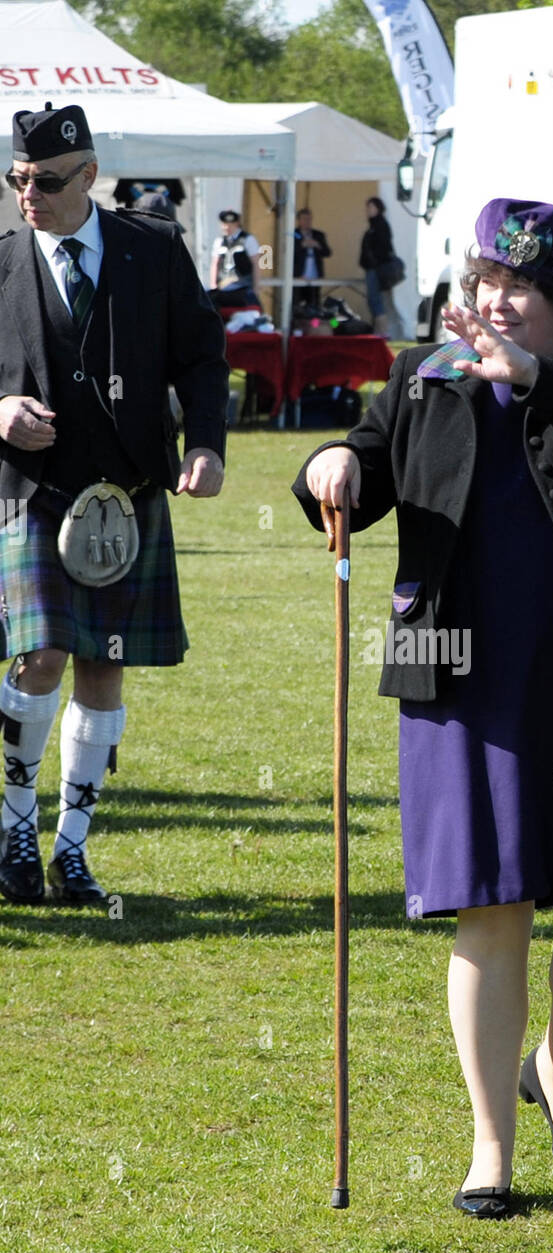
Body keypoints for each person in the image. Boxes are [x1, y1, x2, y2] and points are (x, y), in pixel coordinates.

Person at [293, 199, 553, 1217]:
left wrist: (534, 382)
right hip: (457, 677)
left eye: (519, 287)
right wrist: (325, 466)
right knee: (492, 907)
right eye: (482, 282)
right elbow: (366, 465)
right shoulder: (421, 376)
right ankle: (490, 1148)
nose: (494, 301)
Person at [0, 102, 227, 905]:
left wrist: (204, 443)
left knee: (105, 666)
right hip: (33, 492)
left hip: (127, 496)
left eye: (48, 180)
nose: (30, 194)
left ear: (89, 175)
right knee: (41, 658)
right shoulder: (1, 260)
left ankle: (73, 850)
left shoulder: (152, 249)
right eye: (19, 178)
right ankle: (17, 826)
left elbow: (203, 357)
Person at [359, 196, 405, 341]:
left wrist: (374, 262)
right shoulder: (373, 226)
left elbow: (382, 248)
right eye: (368, 208)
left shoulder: (381, 225)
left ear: (378, 209)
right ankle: (380, 331)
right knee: (375, 301)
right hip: (373, 269)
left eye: (372, 208)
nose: (369, 211)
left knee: (377, 301)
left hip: (377, 270)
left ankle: (383, 332)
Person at [209, 209, 261, 309]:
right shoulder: (219, 241)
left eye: (230, 224)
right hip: (223, 286)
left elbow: (256, 264)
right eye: (224, 224)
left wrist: (256, 287)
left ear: (237, 224)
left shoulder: (248, 239)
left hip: (243, 285)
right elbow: (215, 263)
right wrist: (213, 285)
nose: (227, 227)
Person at [292, 208, 331, 313]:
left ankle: (314, 325)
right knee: (297, 305)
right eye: (304, 219)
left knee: (314, 304)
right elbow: (288, 252)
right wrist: (302, 245)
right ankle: (296, 327)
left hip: (315, 275)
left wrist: (317, 245)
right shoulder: (294, 234)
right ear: (299, 220)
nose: (307, 222)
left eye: (309, 219)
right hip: (298, 276)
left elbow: (327, 252)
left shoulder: (318, 235)